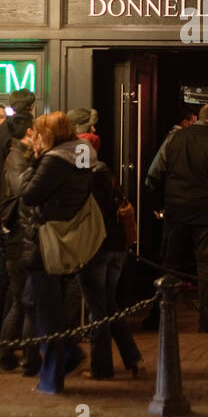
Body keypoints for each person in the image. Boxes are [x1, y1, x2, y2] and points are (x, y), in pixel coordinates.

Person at [144, 102, 208, 331]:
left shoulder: (175, 138)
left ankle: (157, 317)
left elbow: (153, 174)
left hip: (177, 211)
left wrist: (159, 204)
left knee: (170, 265)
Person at [19, 112, 91, 392]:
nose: (33, 138)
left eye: (37, 133)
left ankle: (53, 375)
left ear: (48, 136)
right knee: (33, 301)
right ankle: (68, 353)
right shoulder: (80, 155)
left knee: (46, 308)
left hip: (46, 239)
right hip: (61, 237)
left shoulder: (53, 161)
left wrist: (34, 161)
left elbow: (28, 194)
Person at [76, 131, 144, 379]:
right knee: (108, 305)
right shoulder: (107, 174)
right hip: (116, 247)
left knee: (97, 310)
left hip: (97, 249)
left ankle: (101, 368)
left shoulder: (89, 179)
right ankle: (132, 357)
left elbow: (90, 217)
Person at [0, 90, 37, 341]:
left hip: (0, 218)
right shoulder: (16, 151)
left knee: (5, 285)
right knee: (19, 296)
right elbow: (23, 193)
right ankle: (8, 347)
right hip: (13, 226)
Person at [0, 109, 40, 376]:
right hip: (22, 240)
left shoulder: (17, 157)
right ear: (29, 133)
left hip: (19, 239)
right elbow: (26, 195)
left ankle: (10, 356)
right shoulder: (17, 160)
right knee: (25, 300)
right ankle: (26, 358)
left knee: (21, 301)